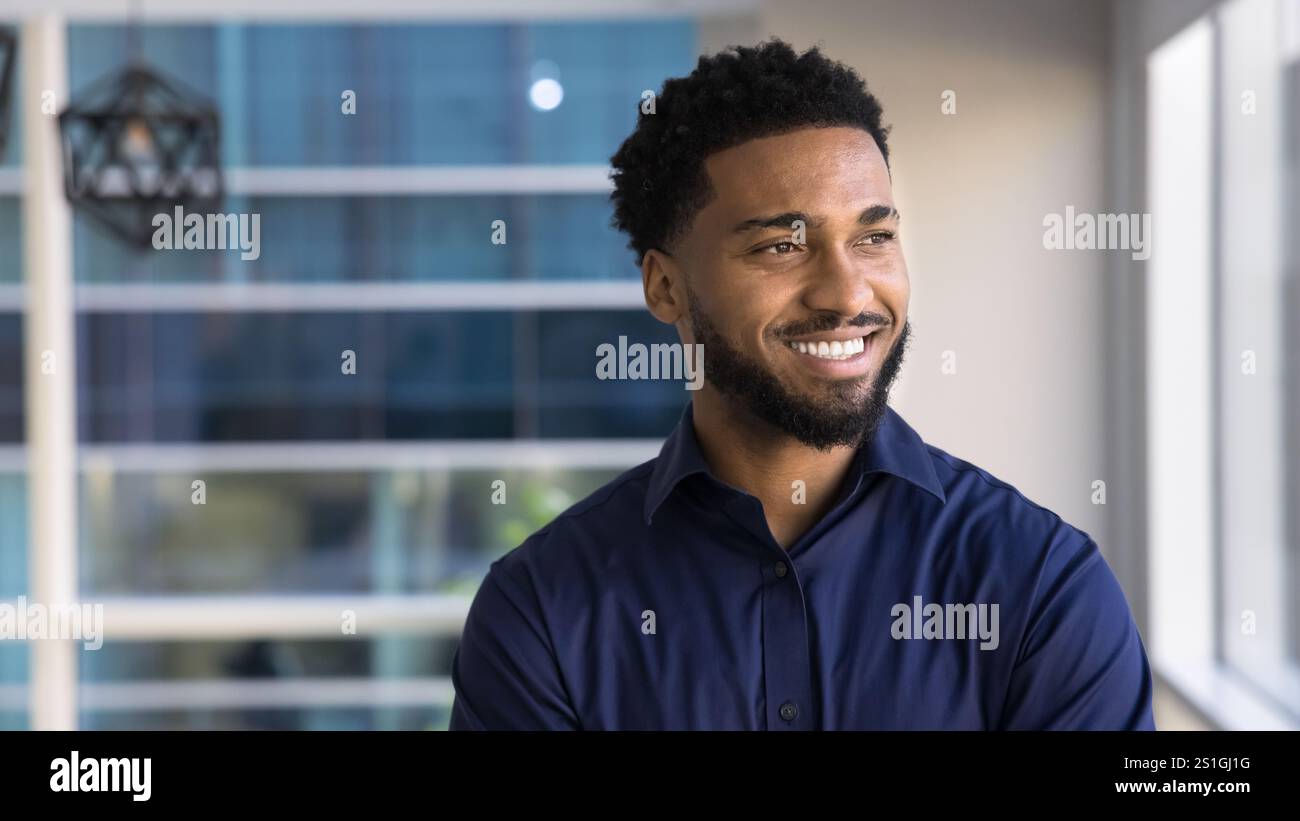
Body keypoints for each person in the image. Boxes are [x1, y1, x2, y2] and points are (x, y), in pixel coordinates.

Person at [449, 38, 1155, 730]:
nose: (847, 293)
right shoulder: (542, 610)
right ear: (666, 287)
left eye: (873, 237)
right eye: (781, 246)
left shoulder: (1042, 586)